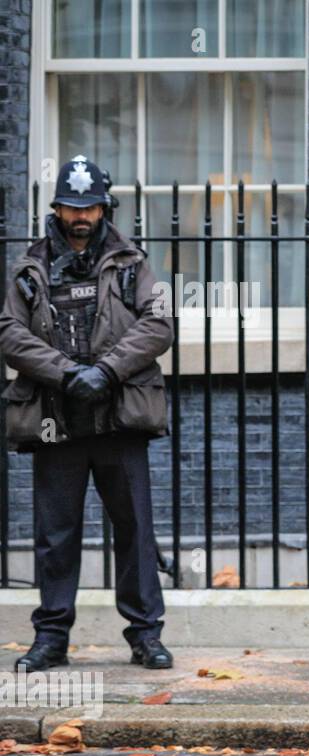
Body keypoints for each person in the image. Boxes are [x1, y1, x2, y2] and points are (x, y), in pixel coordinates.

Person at [0, 155, 174, 672]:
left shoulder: (132, 262)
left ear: (105, 208)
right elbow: (9, 333)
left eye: (91, 207)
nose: (81, 217)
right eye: (73, 207)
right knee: (57, 534)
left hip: (119, 416)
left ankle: (146, 636)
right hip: (56, 417)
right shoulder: (30, 268)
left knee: (135, 530)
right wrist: (67, 373)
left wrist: (107, 371)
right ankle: (51, 640)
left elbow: (159, 324)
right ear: (55, 207)